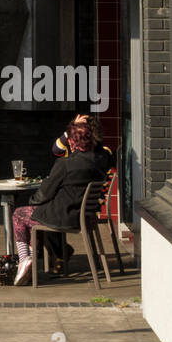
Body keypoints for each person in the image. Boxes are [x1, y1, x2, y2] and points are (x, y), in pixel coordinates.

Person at [12, 119, 104, 285]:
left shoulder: (65, 164)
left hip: (64, 217)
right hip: (86, 217)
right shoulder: (99, 161)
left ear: (72, 141)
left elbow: (45, 193)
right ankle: (34, 261)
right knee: (38, 215)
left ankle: (24, 260)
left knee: (20, 214)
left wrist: (32, 200)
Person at [45, 113, 115, 273]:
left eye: (79, 131)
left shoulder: (96, 154)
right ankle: (59, 255)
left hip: (76, 206)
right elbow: (56, 148)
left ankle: (57, 255)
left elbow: (57, 150)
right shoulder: (101, 153)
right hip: (84, 205)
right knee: (46, 210)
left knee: (42, 213)